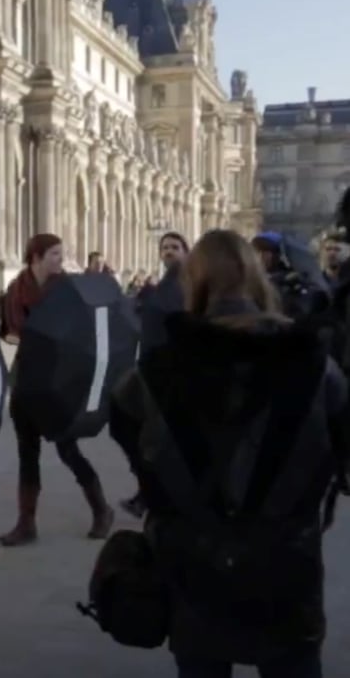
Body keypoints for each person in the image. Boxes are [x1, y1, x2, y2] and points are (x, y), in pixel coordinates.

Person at [109, 229, 349, 678]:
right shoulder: (309, 357)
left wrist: (158, 482)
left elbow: (122, 421)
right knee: (292, 662)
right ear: (257, 279)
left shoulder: (162, 364)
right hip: (286, 557)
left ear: (193, 282)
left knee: (202, 662)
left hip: (193, 557)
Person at [0, 233, 115, 546]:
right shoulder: (15, 290)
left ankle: (101, 509)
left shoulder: (67, 290)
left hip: (58, 381)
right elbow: (8, 335)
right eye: (54, 254)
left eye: (61, 255)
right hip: (25, 378)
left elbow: (83, 332)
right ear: (35, 257)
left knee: (68, 449)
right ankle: (26, 522)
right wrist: (20, 338)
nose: (60, 261)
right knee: (27, 453)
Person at [121, 231, 190, 518]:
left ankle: (154, 498)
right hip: (152, 370)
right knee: (148, 439)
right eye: (165, 248)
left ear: (186, 251)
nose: (169, 251)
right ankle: (149, 496)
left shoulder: (191, 285)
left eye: (175, 247)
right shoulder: (160, 286)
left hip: (177, 373)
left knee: (161, 441)